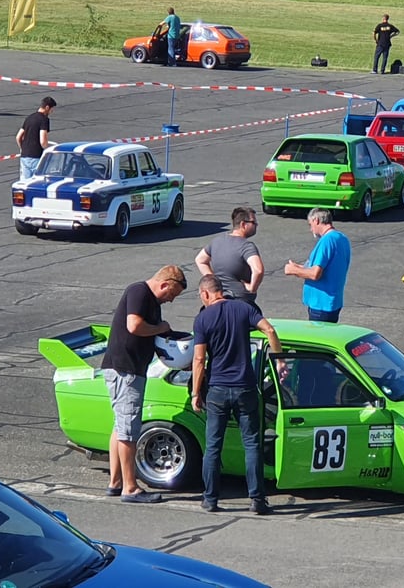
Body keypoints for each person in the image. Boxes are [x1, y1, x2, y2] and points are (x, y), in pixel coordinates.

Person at [191, 274, 281, 514]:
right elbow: (270, 330)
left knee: (213, 446)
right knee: (251, 444)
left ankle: (210, 499)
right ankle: (257, 501)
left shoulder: (202, 319)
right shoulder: (243, 309)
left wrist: (195, 392)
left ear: (206, 294)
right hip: (246, 387)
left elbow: (199, 359)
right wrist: (279, 361)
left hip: (218, 390)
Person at [102, 265, 187, 503]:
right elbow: (134, 326)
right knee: (128, 430)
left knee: (120, 427)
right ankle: (131, 488)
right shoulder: (140, 292)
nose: (170, 300)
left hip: (127, 369)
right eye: (172, 294)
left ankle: (116, 482)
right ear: (164, 284)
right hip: (125, 369)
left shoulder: (150, 300)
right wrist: (162, 327)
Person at [284, 208, 351, 322]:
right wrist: (298, 267)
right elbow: (327, 268)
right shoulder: (342, 238)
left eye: (310, 224)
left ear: (316, 220)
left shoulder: (326, 241)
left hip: (321, 304)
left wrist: (292, 271)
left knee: (319, 337)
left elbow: (315, 274)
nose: (311, 229)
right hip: (333, 302)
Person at [195, 207, 263, 305]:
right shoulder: (246, 246)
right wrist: (252, 288)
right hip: (241, 302)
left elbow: (200, 260)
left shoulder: (217, 241)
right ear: (243, 224)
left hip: (220, 299)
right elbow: (258, 270)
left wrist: (214, 280)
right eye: (253, 222)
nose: (256, 225)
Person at [15, 96, 57, 180]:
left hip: (24, 156)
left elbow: (18, 136)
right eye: (52, 109)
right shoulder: (44, 120)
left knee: (24, 183)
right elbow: (43, 142)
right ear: (47, 107)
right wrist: (47, 152)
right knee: (37, 183)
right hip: (36, 157)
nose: (52, 112)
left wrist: (22, 148)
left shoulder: (29, 118)